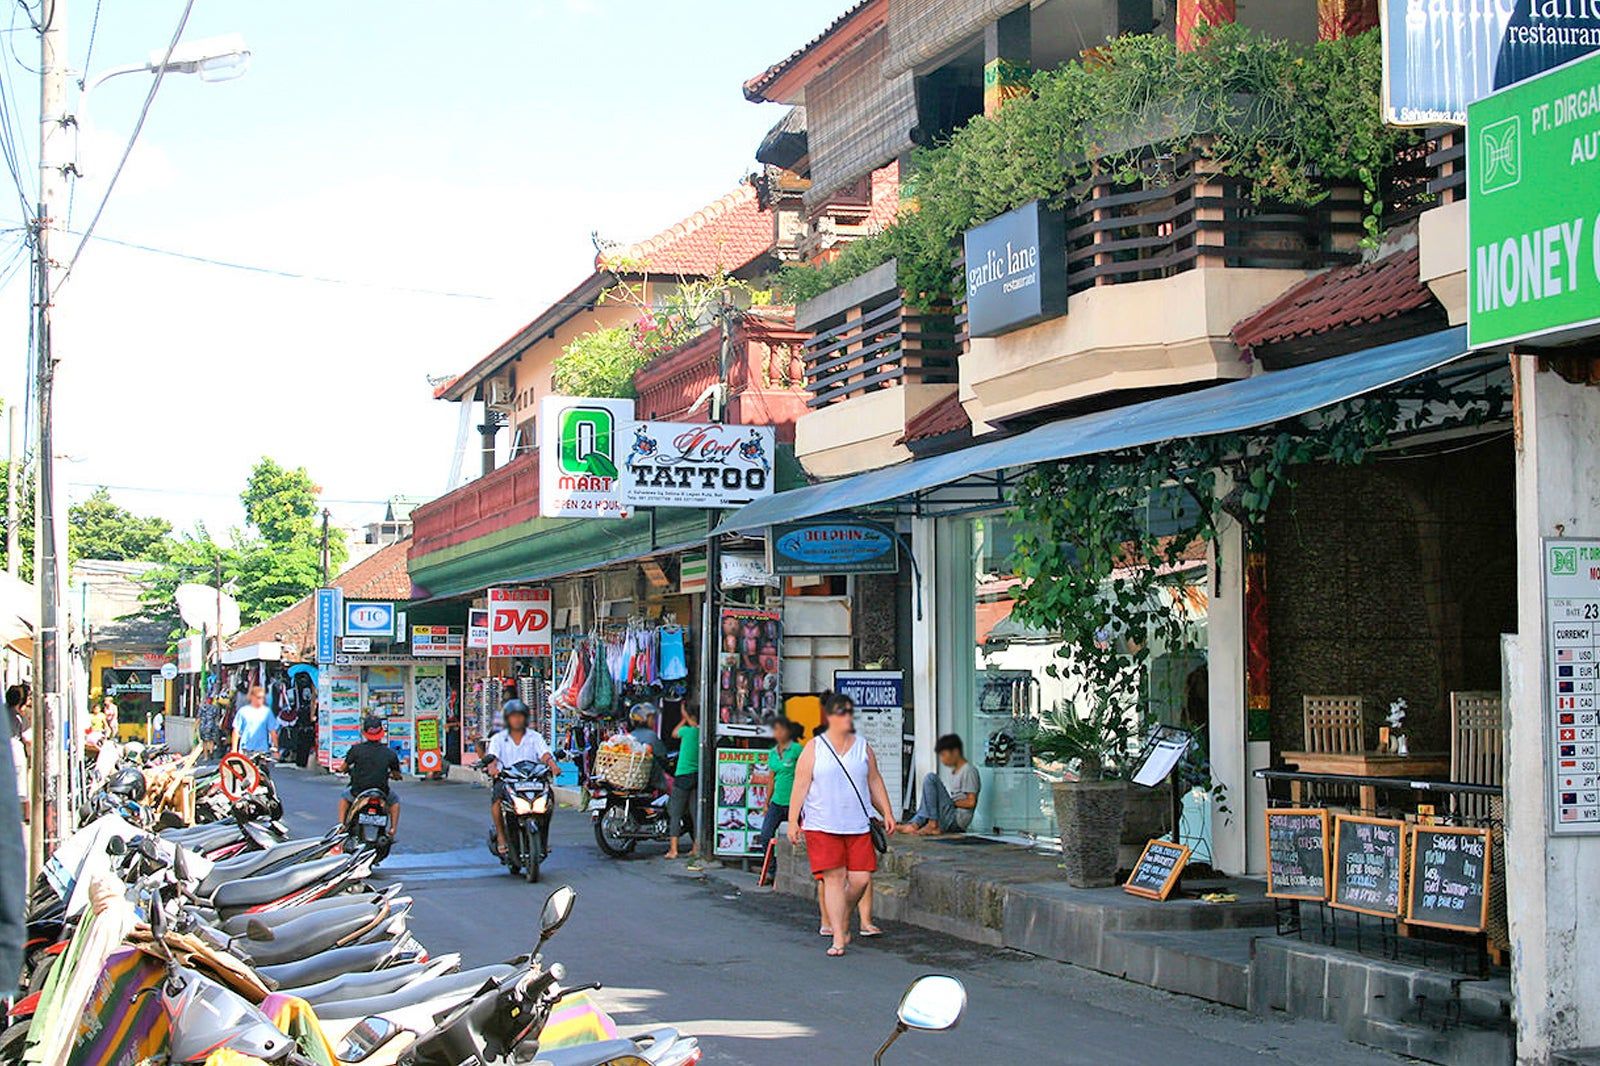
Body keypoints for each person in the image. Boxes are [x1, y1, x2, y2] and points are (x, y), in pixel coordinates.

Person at [788, 692, 896, 957]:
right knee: (834, 879)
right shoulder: (814, 747)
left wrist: (887, 811)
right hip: (822, 823)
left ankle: (843, 915)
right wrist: (793, 821)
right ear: (830, 717)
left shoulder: (862, 746)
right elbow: (800, 785)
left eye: (849, 712)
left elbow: (874, 780)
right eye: (841, 712)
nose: (846, 717)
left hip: (857, 824)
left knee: (860, 879)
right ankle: (838, 936)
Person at [483, 699, 560, 859]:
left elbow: (544, 754)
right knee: (496, 800)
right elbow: (493, 758)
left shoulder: (535, 737)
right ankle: (501, 837)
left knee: (549, 800)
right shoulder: (498, 739)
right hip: (508, 780)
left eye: (520, 716)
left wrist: (552, 765)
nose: (517, 719)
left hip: (533, 780)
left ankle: (544, 839)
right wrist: (493, 768)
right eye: (513, 716)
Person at [899, 733, 981, 836]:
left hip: (957, 819)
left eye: (944, 755)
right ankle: (914, 824)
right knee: (930, 796)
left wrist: (952, 803)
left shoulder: (969, 771)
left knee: (931, 778)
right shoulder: (956, 771)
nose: (943, 759)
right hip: (951, 814)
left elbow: (971, 802)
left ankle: (931, 824)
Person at [336, 715, 401, 837]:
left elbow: (343, 767)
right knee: (395, 801)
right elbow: (396, 774)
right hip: (382, 792)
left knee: (344, 797)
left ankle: (341, 826)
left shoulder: (356, 750)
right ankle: (392, 829)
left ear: (364, 732)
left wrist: (340, 769)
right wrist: (395, 776)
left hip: (358, 791)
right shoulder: (390, 753)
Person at [753, 717, 800, 856]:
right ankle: (772, 870)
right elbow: (771, 779)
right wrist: (766, 802)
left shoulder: (797, 749)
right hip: (777, 801)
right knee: (766, 835)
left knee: (795, 838)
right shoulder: (772, 753)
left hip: (794, 803)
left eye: (781, 730)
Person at [664, 706, 699, 862]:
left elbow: (674, 733)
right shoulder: (702, 733)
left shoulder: (687, 731)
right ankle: (696, 847)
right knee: (695, 813)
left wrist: (683, 718)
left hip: (683, 775)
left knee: (675, 812)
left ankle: (673, 849)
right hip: (696, 776)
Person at [231, 685, 277, 757]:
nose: (261, 700)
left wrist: (275, 748)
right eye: (258, 697)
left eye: (262, 698)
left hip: (262, 750)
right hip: (245, 749)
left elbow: (272, 731)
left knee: (262, 767)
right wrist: (234, 749)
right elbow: (236, 730)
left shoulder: (267, 712)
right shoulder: (243, 711)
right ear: (252, 697)